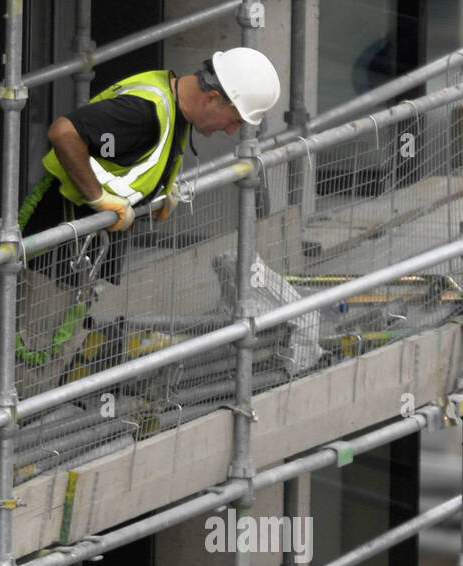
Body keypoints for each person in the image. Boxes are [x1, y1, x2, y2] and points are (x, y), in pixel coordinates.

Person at [15, 47, 282, 369]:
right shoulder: (144, 111)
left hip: (77, 251)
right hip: (57, 252)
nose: (230, 131)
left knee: (51, 352)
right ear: (212, 98)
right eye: (234, 120)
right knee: (34, 358)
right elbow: (64, 133)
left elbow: (130, 158)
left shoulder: (171, 105)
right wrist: (98, 197)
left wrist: (155, 194)